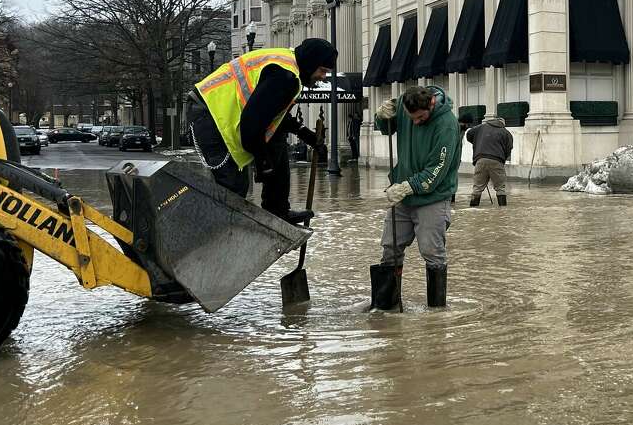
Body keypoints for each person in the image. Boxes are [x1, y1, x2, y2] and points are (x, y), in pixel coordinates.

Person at [187, 38, 336, 224]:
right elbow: (251, 127)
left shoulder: (289, 70)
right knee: (233, 186)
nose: (323, 76)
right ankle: (217, 234)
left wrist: (305, 134)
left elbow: (272, 116)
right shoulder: (283, 77)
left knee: (276, 142)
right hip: (209, 113)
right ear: (310, 63)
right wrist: (263, 162)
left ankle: (278, 211)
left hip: (218, 113)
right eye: (322, 70)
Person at [370, 84, 461, 310]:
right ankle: (385, 308)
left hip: (433, 198)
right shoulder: (403, 105)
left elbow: (436, 172)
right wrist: (381, 117)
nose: (416, 122)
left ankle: (436, 313)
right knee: (390, 248)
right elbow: (386, 128)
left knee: (432, 252)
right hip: (402, 195)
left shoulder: (447, 124)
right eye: (412, 118)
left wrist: (407, 187)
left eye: (420, 117)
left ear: (432, 103)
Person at [466, 114, 513, 207]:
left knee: (477, 188)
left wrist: (478, 143)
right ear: (503, 124)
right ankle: (503, 211)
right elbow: (508, 150)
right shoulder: (506, 132)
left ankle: (473, 210)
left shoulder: (481, 127)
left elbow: (469, 134)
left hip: (480, 160)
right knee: (500, 188)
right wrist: (503, 158)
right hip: (497, 161)